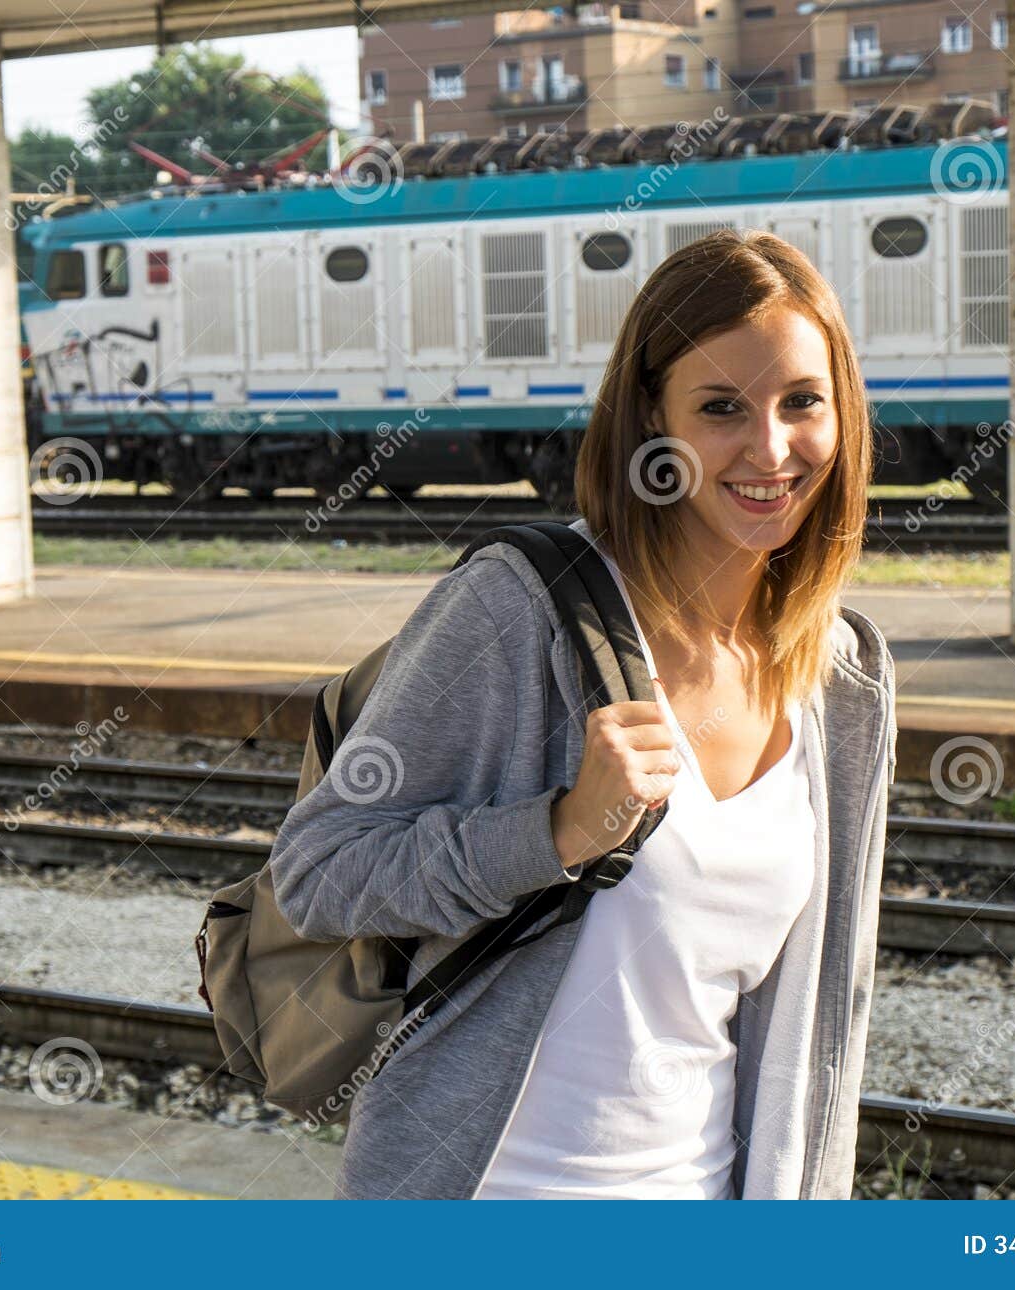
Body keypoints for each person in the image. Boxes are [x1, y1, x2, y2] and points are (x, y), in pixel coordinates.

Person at [267, 227, 895, 1200]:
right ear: (655, 420)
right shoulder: (518, 607)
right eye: (721, 407)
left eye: (801, 402)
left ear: (841, 412)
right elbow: (318, 873)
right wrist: (557, 833)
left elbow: (824, 1016)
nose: (770, 448)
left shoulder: (842, 676)